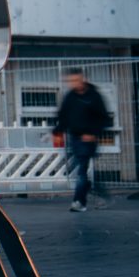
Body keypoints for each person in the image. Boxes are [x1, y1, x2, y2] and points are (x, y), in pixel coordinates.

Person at [55, 69, 112, 213]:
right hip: (74, 138)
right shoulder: (70, 97)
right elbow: (63, 115)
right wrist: (57, 131)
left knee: (81, 170)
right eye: (71, 81)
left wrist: (93, 133)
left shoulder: (94, 96)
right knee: (80, 170)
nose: (74, 84)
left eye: (77, 80)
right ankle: (99, 192)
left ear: (84, 80)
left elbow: (104, 118)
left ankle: (79, 202)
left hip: (88, 139)